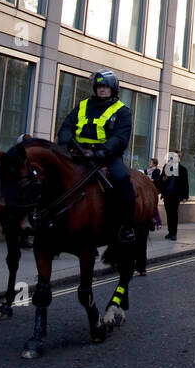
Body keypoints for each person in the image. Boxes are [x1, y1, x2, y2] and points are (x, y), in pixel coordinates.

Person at [56, 69, 136, 247]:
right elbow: (67, 125)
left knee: (122, 179)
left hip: (106, 156)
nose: (102, 90)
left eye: (106, 87)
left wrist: (103, 151)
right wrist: (63, 143)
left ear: (113, 89)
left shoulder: (122, 111)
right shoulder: (83, 105)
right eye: (99, 86)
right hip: (77, 153)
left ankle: (127, 226)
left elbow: (120, 137)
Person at [160, 152, 189, 239]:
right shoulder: (167, 167)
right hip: (167, 194)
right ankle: (170, 232)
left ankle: (174, 233)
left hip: (176, 195)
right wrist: (163, 179)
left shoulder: (183, 169)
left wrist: (185, 196)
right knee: (169, 213)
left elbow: (185, 183)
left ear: (179, 158)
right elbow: (161, 179)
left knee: (174, 214)